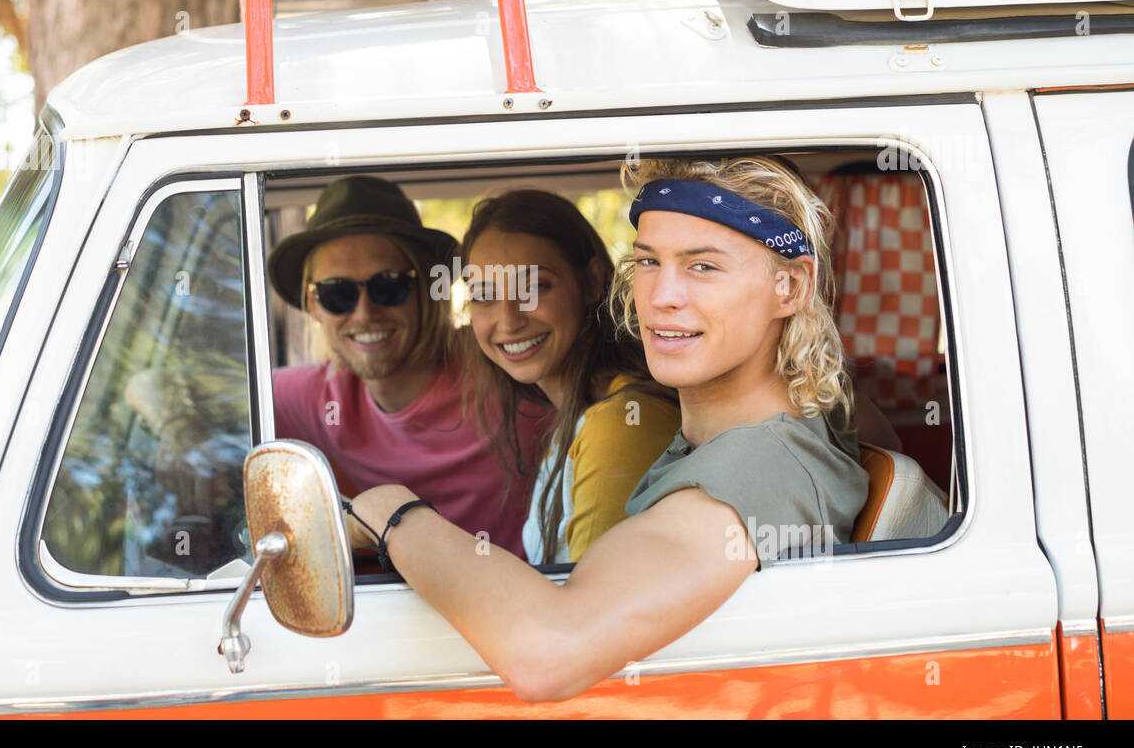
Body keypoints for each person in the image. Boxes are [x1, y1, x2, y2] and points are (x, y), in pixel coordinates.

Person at [344, 156, 870, 702]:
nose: (661, 296)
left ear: (790, 286)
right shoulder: (759, 433)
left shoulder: (755, 466)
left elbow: (550, 652)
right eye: (648, 262)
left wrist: (390, 512)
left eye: (702, 267)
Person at [267, 175, 545, 558]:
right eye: (337, 294)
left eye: (389, 286)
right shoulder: (299, 398)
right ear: (313, 305)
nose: (365, 313)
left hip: (514, 610)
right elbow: (200, 403)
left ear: (428, 292)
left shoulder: (508, 365)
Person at [458, 189, 680, 565]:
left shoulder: (620, 423)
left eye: (533, 287)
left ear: (591, 281)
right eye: (484, 295)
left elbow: (593, 609)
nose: (509, 320)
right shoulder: (578, 413)